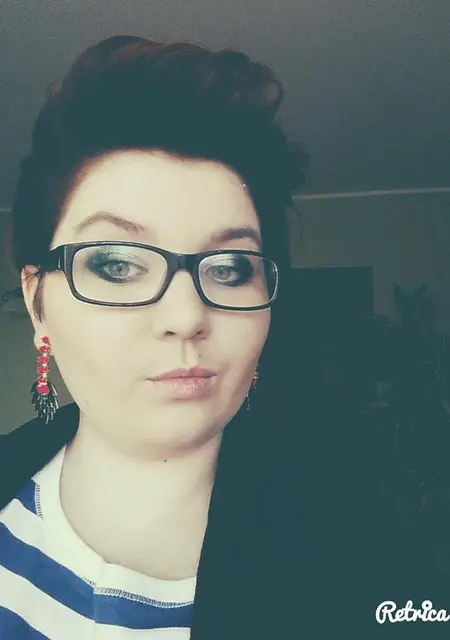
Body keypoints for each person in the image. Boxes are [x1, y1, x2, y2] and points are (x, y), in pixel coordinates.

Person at [2, 34, 444, 640]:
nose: (186, 316)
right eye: (117, 264)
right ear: (37, 301)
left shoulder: (372, 567)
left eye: (230, 269)